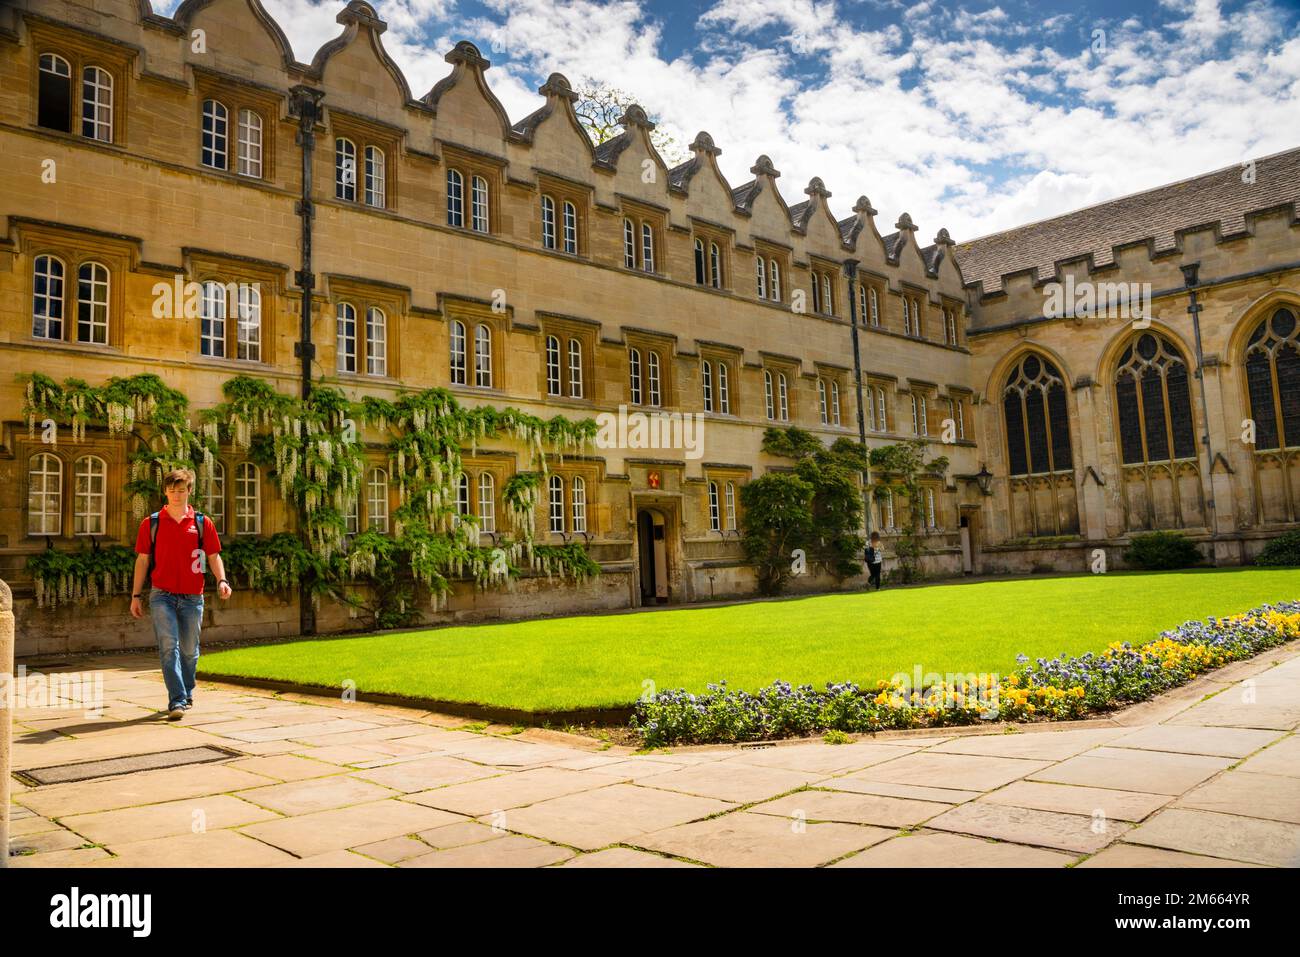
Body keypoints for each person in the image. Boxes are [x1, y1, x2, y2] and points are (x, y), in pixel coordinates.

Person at [129, 468, 232, 720]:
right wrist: (135, 595)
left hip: (192, 596)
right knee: (168, 646)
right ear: (165, 491)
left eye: (181, 490)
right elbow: (142, 560)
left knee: (189, 650)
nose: (176, 495)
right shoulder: (151, 523)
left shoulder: (201, 522)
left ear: (189, 491)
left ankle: (186, 692)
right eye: (172, 490)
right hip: (161, 594)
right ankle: (176, 700)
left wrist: (222, 580)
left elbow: (213, 555)